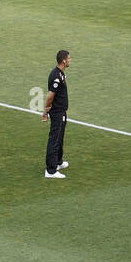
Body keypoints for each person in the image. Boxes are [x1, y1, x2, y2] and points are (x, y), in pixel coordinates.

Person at [41, 49, 71, 179]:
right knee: (54, 139)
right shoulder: (56, 76)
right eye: (69, 58)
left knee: (60, 138)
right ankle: (51, 170)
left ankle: (58, 162)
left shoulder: (61, 74)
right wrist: (45, 111)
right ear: (63, 60)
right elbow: (50, 96)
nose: (70, 60)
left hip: (62, 111)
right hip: (57, 112)